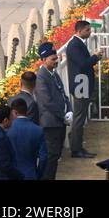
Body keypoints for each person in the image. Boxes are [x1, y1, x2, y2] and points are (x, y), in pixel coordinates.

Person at [63, 20, 102, 159]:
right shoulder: (74, 45)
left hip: (82, 83)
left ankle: (78, 146)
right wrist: (95, 57)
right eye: (87, 30)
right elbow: (83, 64)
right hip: (80, 85)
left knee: (81, 116)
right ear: (79, 31)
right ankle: (76, 149)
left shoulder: (78, 43)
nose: (90, 32)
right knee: (79, 118)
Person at [33, 42, 69, 180]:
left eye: (56, 58)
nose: (56, 61)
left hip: (59, 121)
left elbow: (62, 93)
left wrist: (69, 109)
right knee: (51, 157)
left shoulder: (53, 73)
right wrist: (63, 115)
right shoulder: (41, 77)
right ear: (43, 60)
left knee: (56, 156)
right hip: (50, 124)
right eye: (53, 59)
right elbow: (47, 102)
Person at [7, 97, 48, 179]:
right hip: (31, 174)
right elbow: (43, 158)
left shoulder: (7, 130)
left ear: (14, 112)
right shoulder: (38, 130)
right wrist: (38, 174)